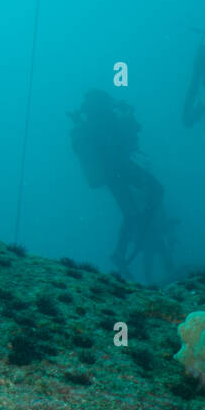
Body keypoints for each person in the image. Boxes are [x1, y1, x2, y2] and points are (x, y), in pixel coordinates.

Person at [68, 89, 166, 278]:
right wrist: (128, 114)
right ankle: (138, 233)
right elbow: (129, 135)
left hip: (111, 173)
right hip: (120, 168)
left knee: (131, 214)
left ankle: (120, 253)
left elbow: (125, 137)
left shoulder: (92, 125)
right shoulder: (105, 122)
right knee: (156, 190)